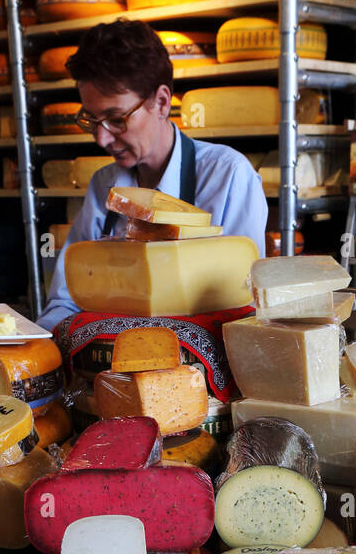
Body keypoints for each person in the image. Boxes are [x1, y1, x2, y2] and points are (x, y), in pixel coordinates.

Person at [39, 20, 268, 333]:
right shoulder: (104, 184)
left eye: (116, 120)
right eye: (91, 121)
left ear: (161, 102)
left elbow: (244, 308)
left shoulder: (228, 176)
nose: (102, 140)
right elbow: (64, 301)